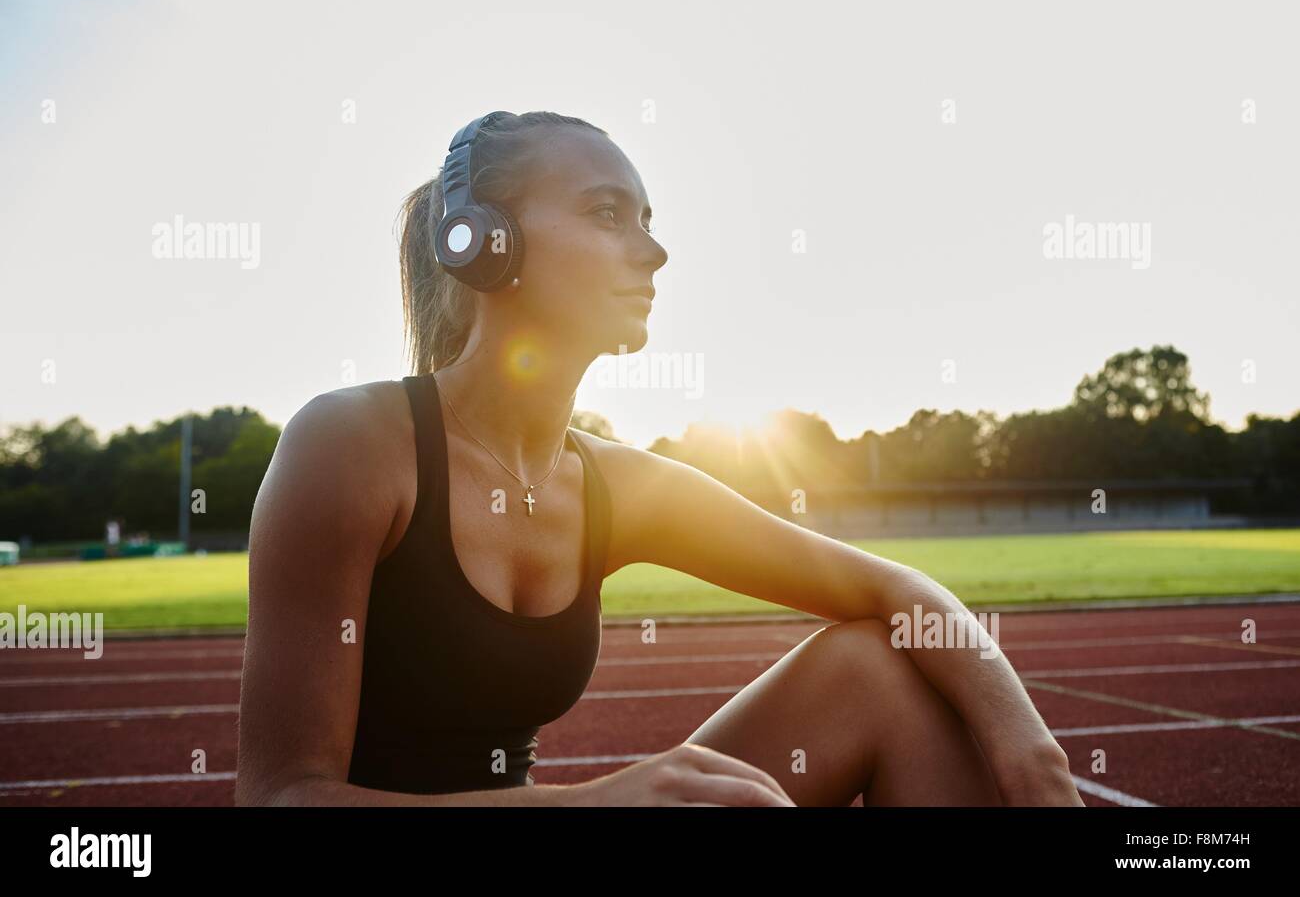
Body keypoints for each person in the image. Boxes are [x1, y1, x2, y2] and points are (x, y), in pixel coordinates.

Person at [234, 110, 1083, 807]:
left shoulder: (616, 485)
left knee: (875, 670)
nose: (654, 251)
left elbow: (895, 593)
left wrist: (1031, 759)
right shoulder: (352, 444)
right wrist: (588, 804)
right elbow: (281, 799)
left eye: (649, 221)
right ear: (483, 241)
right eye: (608, 213)